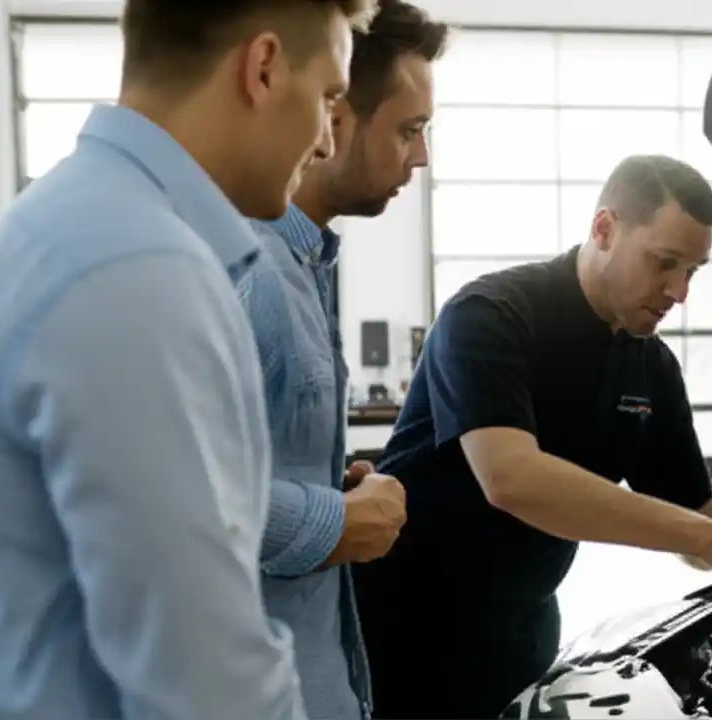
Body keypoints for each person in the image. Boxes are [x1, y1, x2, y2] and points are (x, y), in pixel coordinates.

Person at [0, 1, 374, 718]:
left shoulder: (66, 226)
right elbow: (207, 683)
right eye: (327, 98)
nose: (324, 141)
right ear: (262, 69)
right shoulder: (141, 266)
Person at [354, 154, 712, 719]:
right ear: (605, 229)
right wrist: (710, 539)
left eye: (693, 271)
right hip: (405, 626)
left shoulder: (652, 366)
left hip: (522, 633)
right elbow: (511, 478)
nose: (679, 292)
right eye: (664, 263)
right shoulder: (490, 314)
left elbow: (700, 528)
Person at [237, 2, 445, 717]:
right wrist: (333, 519)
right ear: (332, 115)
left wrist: (331, 485)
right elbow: (164, 492)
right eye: (409, 131)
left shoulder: (303, 262)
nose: (420, 157)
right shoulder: (246, 269)